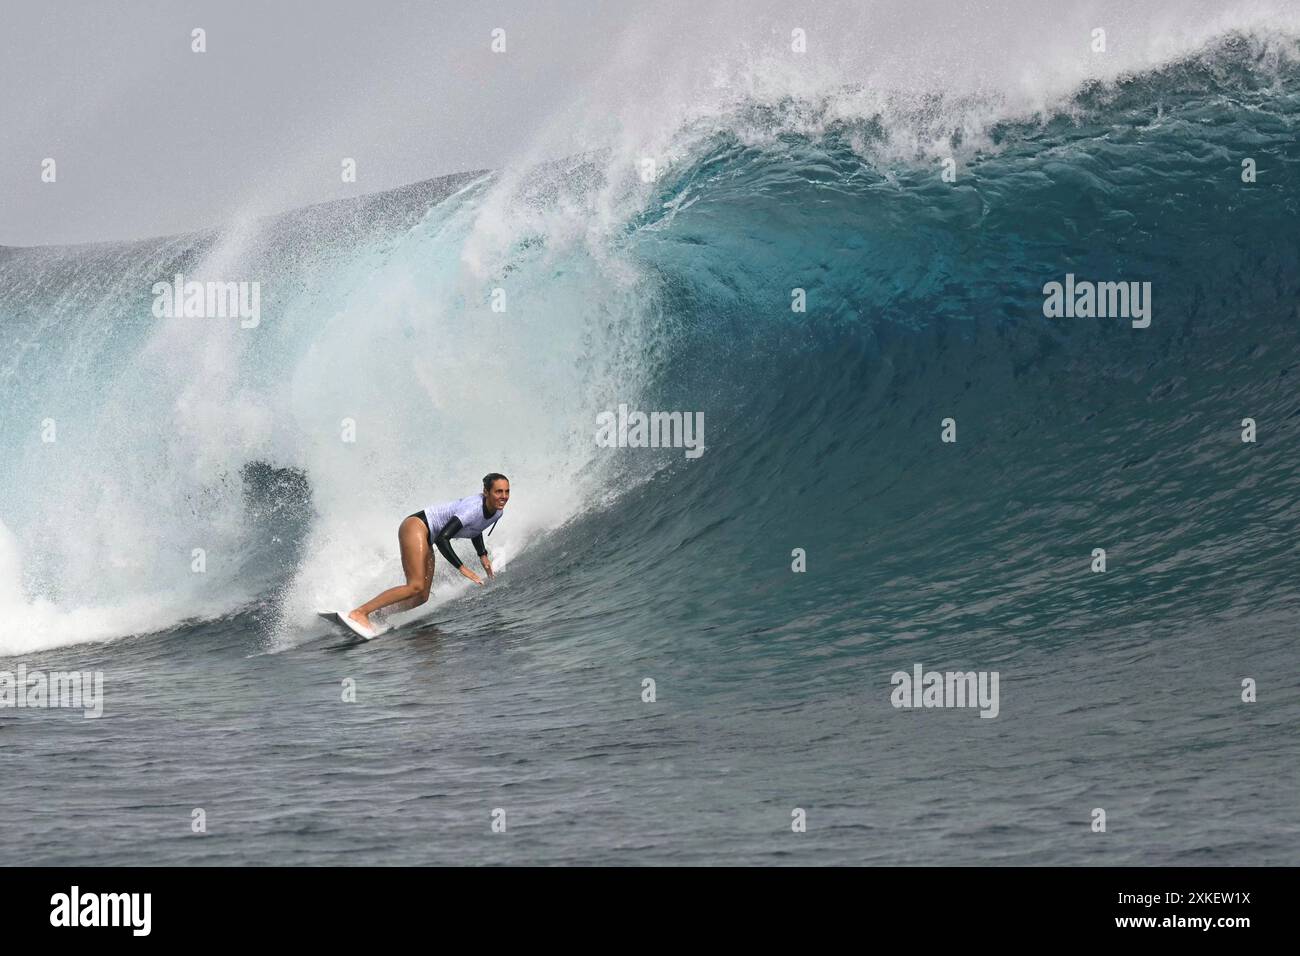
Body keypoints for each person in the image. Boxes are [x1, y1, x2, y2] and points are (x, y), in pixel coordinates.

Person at [346, 473, 509, 636]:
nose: (503, 497)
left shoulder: (497, 512)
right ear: (486, 492)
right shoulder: (472, 508)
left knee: (422, 596)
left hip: (428, 536)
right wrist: (462, 568)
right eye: (498, 492)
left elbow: (475, 528)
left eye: (506, 492)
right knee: (415, 585)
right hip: (417, 526)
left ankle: (378, 615)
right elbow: (442, 538)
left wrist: (482, 554)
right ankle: (360, 612)